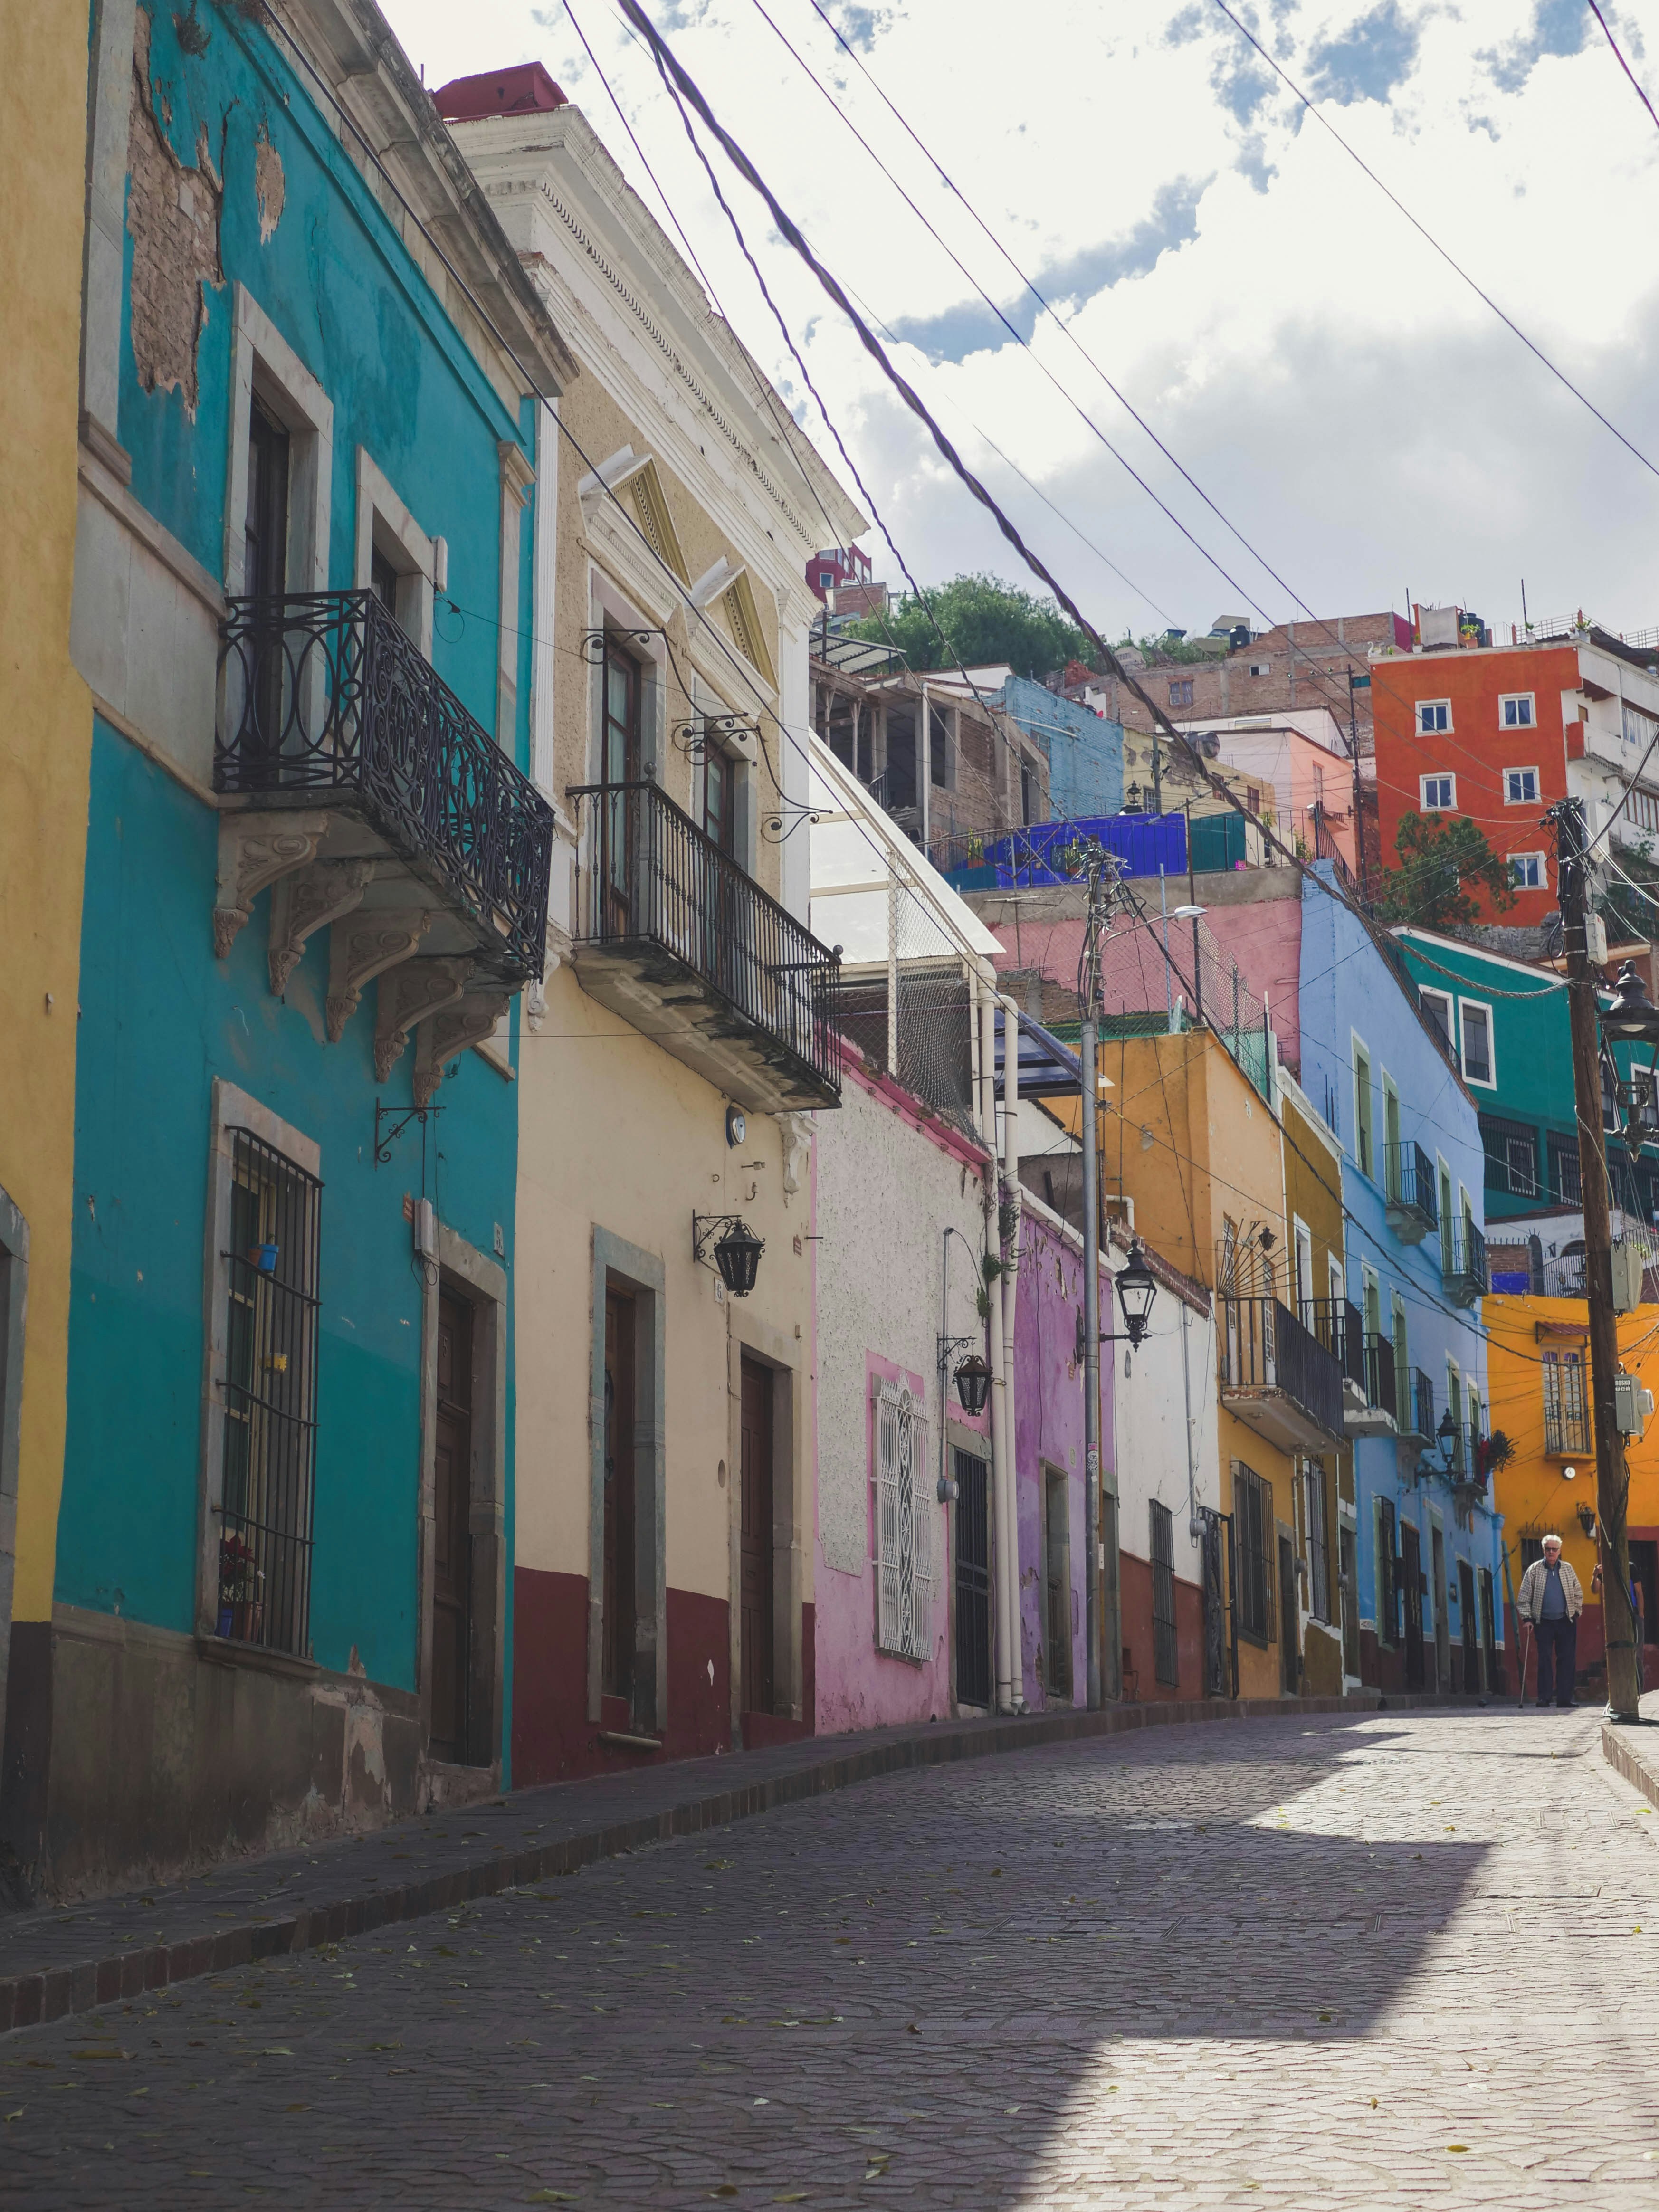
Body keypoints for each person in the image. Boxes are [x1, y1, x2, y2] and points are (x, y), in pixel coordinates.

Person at [1516, 1535, 1583, 1708]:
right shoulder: (1534, 1570)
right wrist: (1527, 1618)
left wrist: (1576, 1612)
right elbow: (1524, 1596)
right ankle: (1544, 1698)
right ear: (1543, 1550)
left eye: (1555, 1549)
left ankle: (1564, 1699)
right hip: (1543, 1621)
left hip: (1566, 1621)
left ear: (1560, 1551)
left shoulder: (1568, 1569)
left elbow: (1578, 1592)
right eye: (1548, 1549)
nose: (1551, 1552)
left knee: (1567, 1660)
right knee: (1544, 1659)